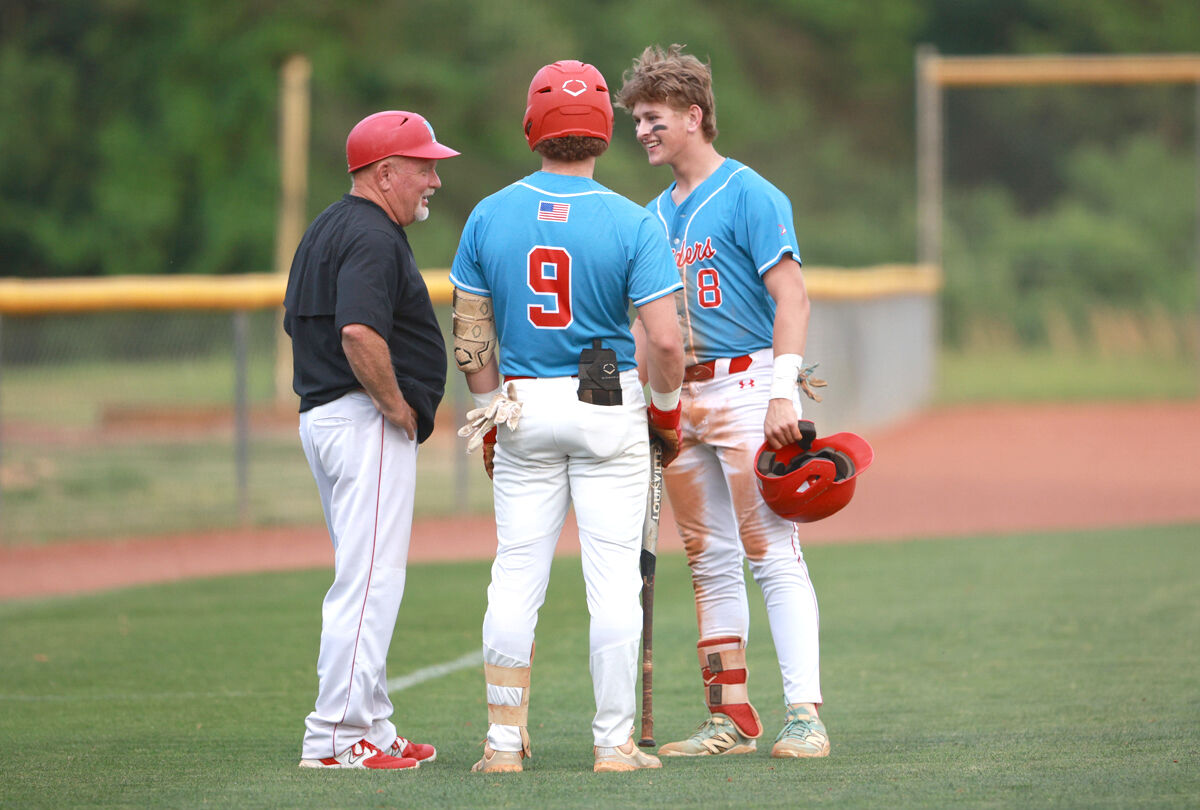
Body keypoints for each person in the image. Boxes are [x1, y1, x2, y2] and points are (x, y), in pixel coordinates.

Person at [449, 60, 685, 774]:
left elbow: (469, 336)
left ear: (533, 128)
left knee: (517, 572)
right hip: (605, 392)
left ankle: (501, 745)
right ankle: (613, 743)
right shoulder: (630, 219)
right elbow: (667, 341)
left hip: (523, 399)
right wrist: (667, 414)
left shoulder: (489, 213)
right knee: (612, 578)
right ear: (605, 132)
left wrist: (490, 409)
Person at [615, 44, 830, 759]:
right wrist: (640, 405)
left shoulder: (750, 192)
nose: (641, 130)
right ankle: (730, 717)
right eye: (637, 119)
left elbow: (791, 295)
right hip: (683, 396)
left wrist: (781, 390)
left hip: (746, 386)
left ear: (694, 115)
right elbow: (652, 329)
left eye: (653, 118)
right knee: (708, 559)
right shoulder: (650, 215)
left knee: (773, 553)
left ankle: (805, 715)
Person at [284, 110, 459, 770]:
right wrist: (397, 406)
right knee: (369, 582)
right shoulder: (371, 236)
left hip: (327, 418)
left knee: (366, 575)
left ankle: (373, 726)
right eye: (423, 166)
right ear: (385, 173)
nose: (433, 179)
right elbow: (359, 332)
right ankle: (335, 737)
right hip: (361, 420)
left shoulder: (328, 226)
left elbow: (303, 325)